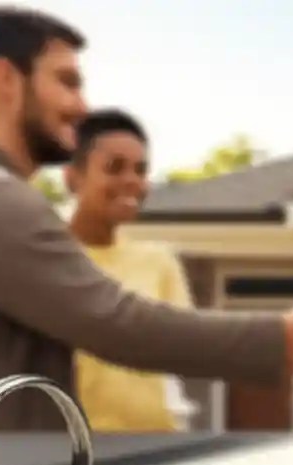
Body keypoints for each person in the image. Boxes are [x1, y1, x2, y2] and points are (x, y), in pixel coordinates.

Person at [0, 6, 293, 430]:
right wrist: (282, 338)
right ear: (6, 82)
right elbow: (123, 326)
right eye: (66, 81)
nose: (81, 106)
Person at [62, 109, 197, 433]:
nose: (132, 181)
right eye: (114, 168)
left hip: (155, 446)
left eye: (140, 169)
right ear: (72, 177)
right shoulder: (41, 259)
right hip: (71, 453)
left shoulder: (159, 262)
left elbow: (186, 350)